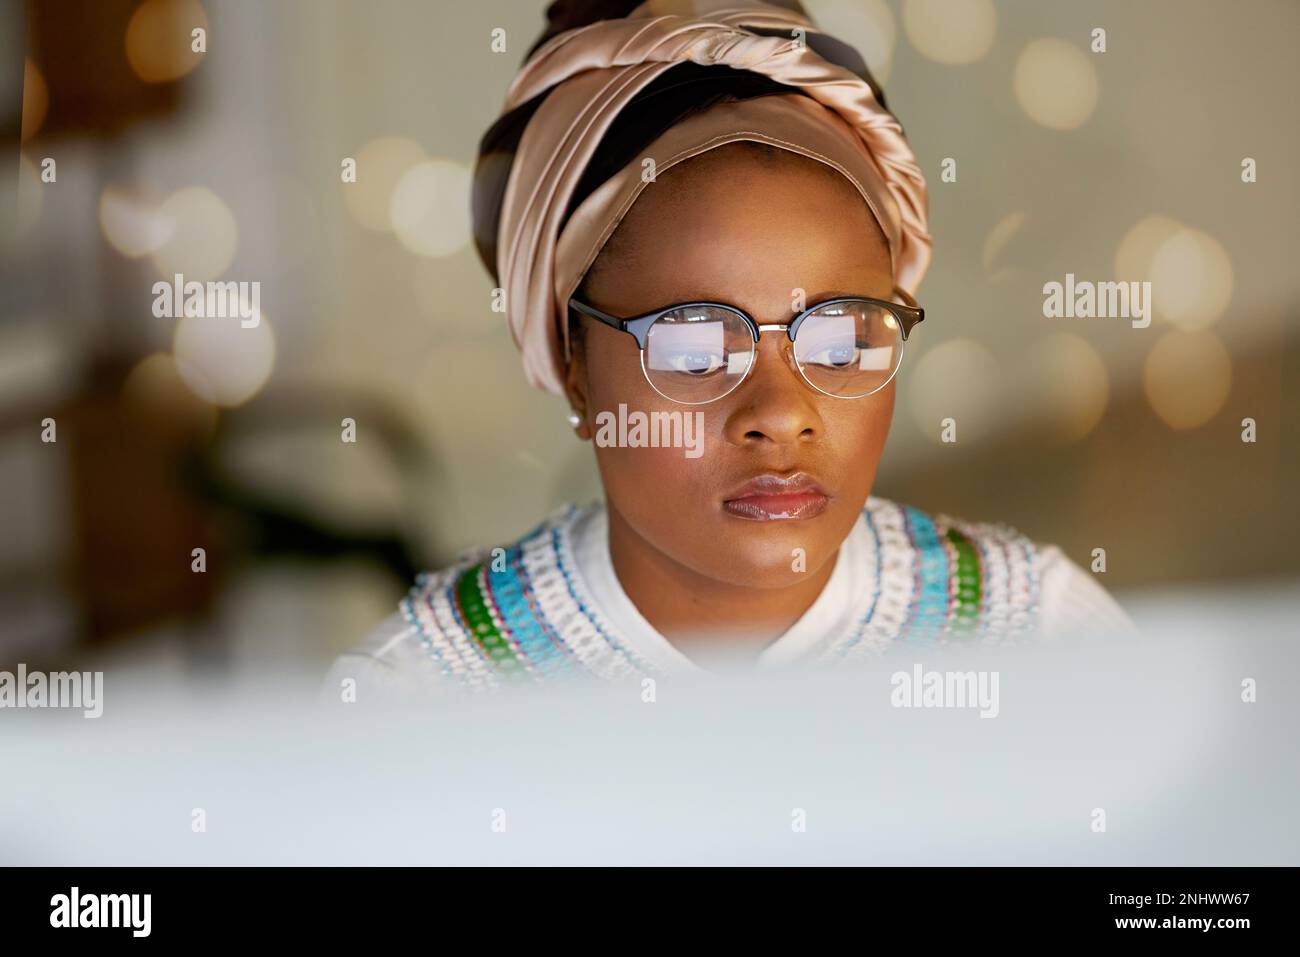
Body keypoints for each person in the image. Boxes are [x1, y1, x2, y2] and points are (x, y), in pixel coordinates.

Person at [325, 0, 1133, 695]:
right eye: (692, 351)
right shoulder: (428, 697)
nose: (780, 414)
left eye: (844, 338)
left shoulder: (1033, 639)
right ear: (575, 372)